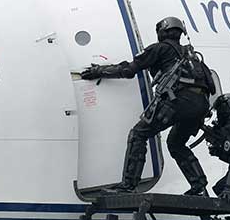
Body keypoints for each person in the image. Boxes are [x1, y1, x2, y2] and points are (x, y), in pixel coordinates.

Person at [80, 17, 215, 194]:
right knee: (176, 143)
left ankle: (128, 185)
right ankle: (198, 185)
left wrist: (99, 71)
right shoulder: (193, 57)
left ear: (162, 32)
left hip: (178, 101)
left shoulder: (159, 49)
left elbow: (129, 70)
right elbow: (211, 86)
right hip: (201, 106)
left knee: (138, 134)